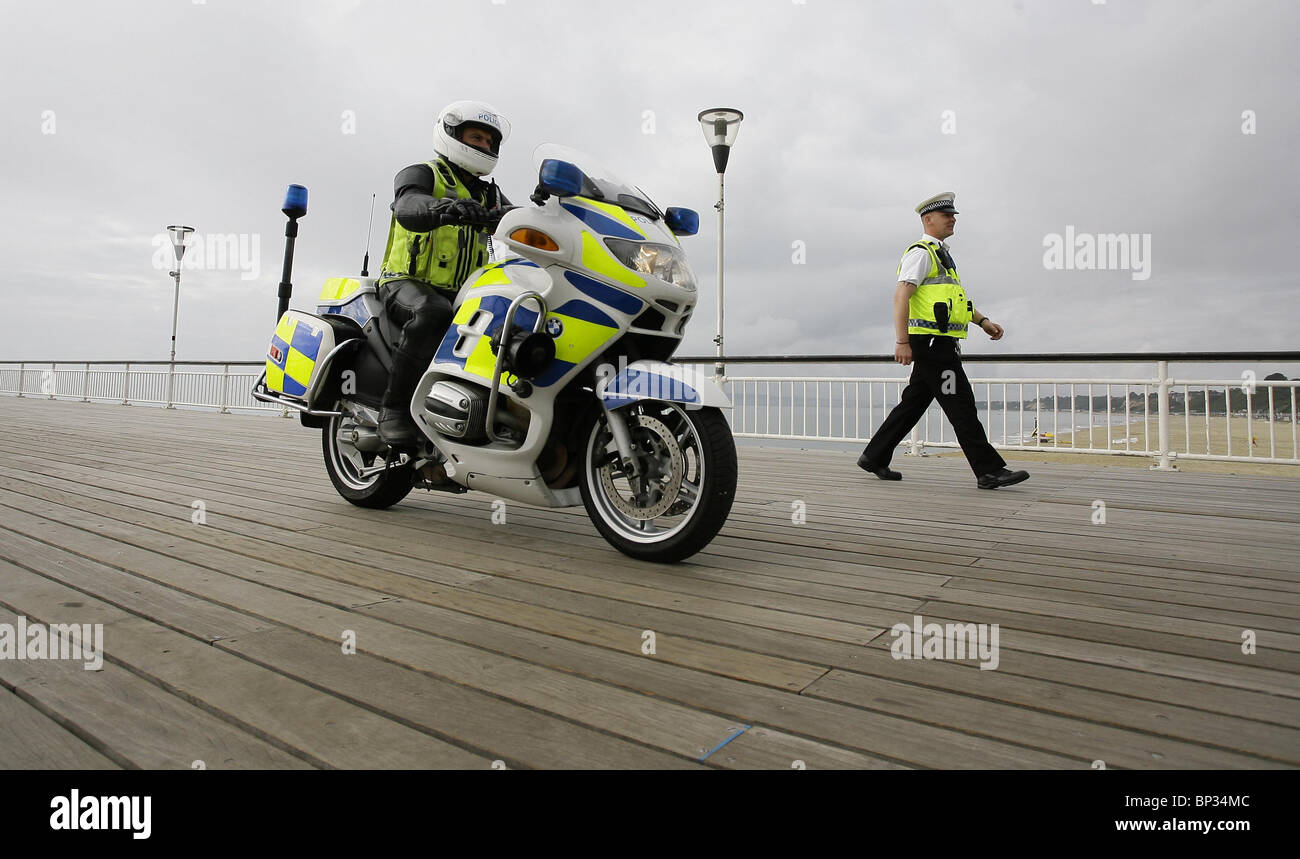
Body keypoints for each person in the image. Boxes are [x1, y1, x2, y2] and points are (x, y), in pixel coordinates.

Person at [857, 192, 1030, 490]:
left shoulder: (943, 257)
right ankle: (989, 471)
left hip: (939, 345)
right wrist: (902, 341)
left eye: (954, 215)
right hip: (933, 346)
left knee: (913, 404)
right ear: (928, 219)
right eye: (947, 215)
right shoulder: (921, 253)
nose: (953, 219)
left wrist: (983, 321)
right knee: (961, 405)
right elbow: (901, 295)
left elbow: (954, 302)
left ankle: (874, 456)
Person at [376, 100, 512, 447]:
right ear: (451, 135)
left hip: (464, 291)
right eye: (476, 137)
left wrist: (552, 213)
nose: (483, 146)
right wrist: (444, 208)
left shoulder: (491, 194)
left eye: (488, 142)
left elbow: (517, 219)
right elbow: (408, 205)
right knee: (431, 313)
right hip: (405, 283)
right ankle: (394, 411)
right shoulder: (422, 173)